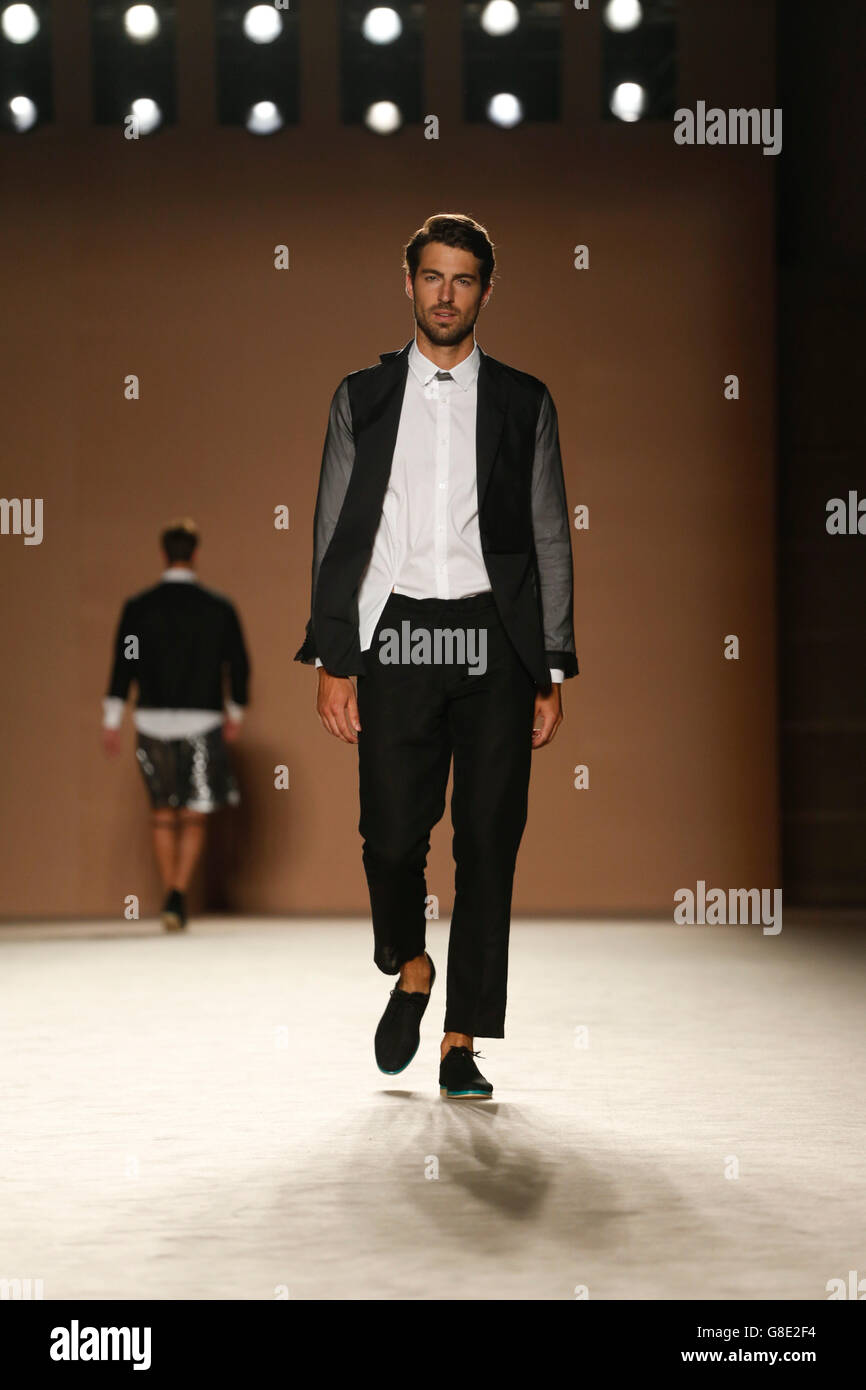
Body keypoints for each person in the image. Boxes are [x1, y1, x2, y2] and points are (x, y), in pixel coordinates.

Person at [296, 213, 578, 1099]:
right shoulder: (363, 396)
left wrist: (551, 665)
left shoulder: (525, 401)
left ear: (486, 291)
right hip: (399, 633)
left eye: (463, 279)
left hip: (496, 638)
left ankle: (462, 1039)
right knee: (389, 833)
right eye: (432, 276)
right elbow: (333, 531)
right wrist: (334, 655)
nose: (445, 294)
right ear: (409, 283)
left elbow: (548, 532)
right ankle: (411, 966)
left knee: (490, 839)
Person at [102, 519, 250, 931]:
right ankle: (178, 892)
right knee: (194, 812)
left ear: (163, 553)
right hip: (203, 719)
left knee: (162, 812)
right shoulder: (218, 608)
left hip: (152, 719)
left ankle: (173, 892)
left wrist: (112, 718)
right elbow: (238, 663)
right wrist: (236, 711)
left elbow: (124, 663)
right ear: (195, 554)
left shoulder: (139, 608)